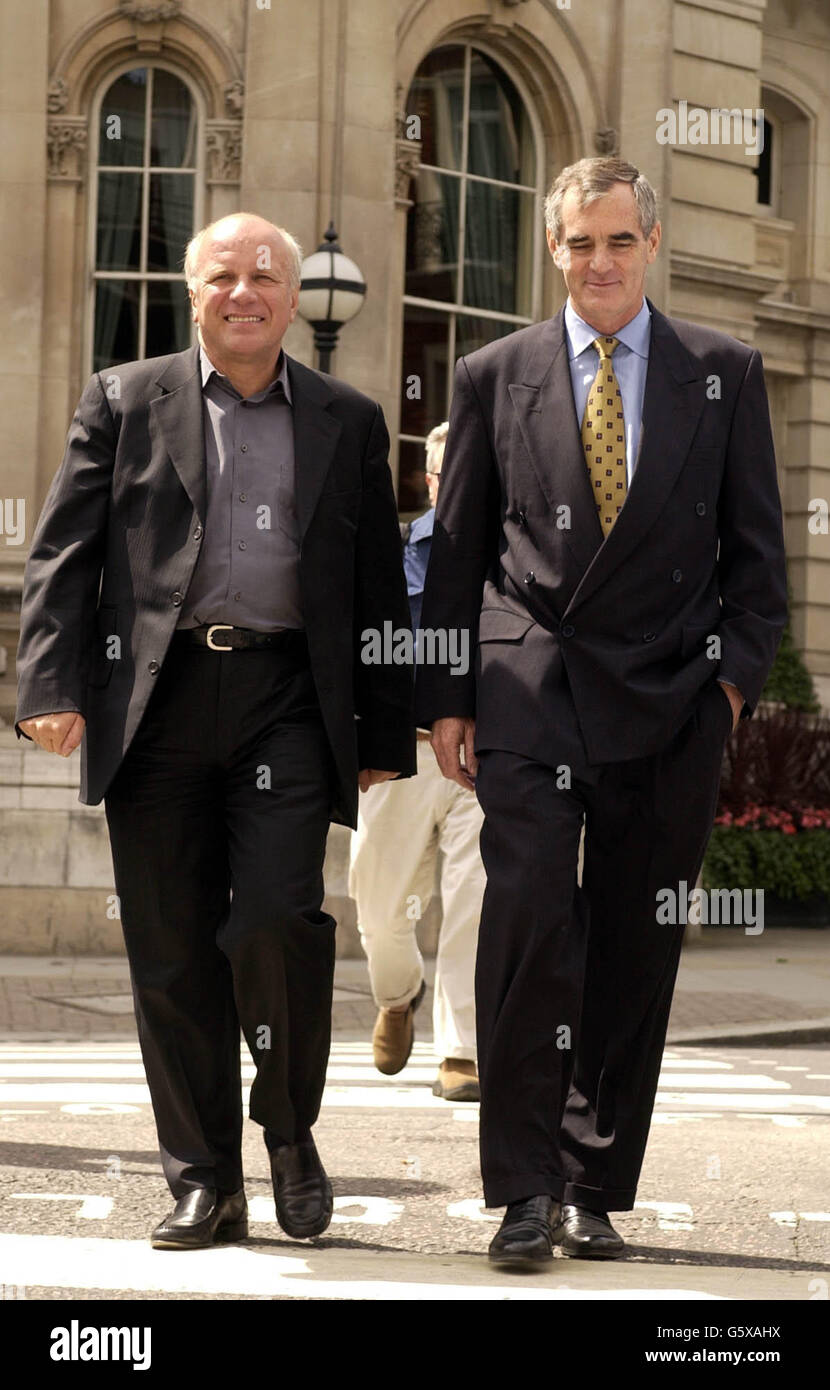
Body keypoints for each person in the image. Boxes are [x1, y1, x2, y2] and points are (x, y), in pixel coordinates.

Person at [15, 212, 415, 1250]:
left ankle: (286, 1128)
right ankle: (203, 1179)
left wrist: (386, 726)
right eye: (224, 276)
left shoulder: (346, 417)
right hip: (155, 703)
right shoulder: (125, 398)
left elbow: (377, 586)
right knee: (171, 946)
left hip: (286, 699)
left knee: (278, 914)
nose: (246, 292)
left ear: (289, 299)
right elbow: (67, 553)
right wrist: (49, 684)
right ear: (192, 292)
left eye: (265, 276)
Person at [415, 157, 787, 1269]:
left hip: (669, 699)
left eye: (618, 241)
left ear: (652, 244)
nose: (599, 262)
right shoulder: (492, 373)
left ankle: (591, 1183)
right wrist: (444, 694)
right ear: (552, 251)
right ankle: (521, 1187)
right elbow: (458, 557)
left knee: (633, 940)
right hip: (531, 686)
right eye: (579, 243)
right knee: (527, 924)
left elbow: (756, 558)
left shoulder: (722, 372)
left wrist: (724, 689)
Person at [349, 422, 483, 1102]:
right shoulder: (394, 553)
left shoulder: (514, 557)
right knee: (378, 906)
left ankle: (461, 1050)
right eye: (444, 473)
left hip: (484, 761)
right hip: (403, 752)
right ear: (430, 481)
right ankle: (398, 996)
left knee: (475, 901)